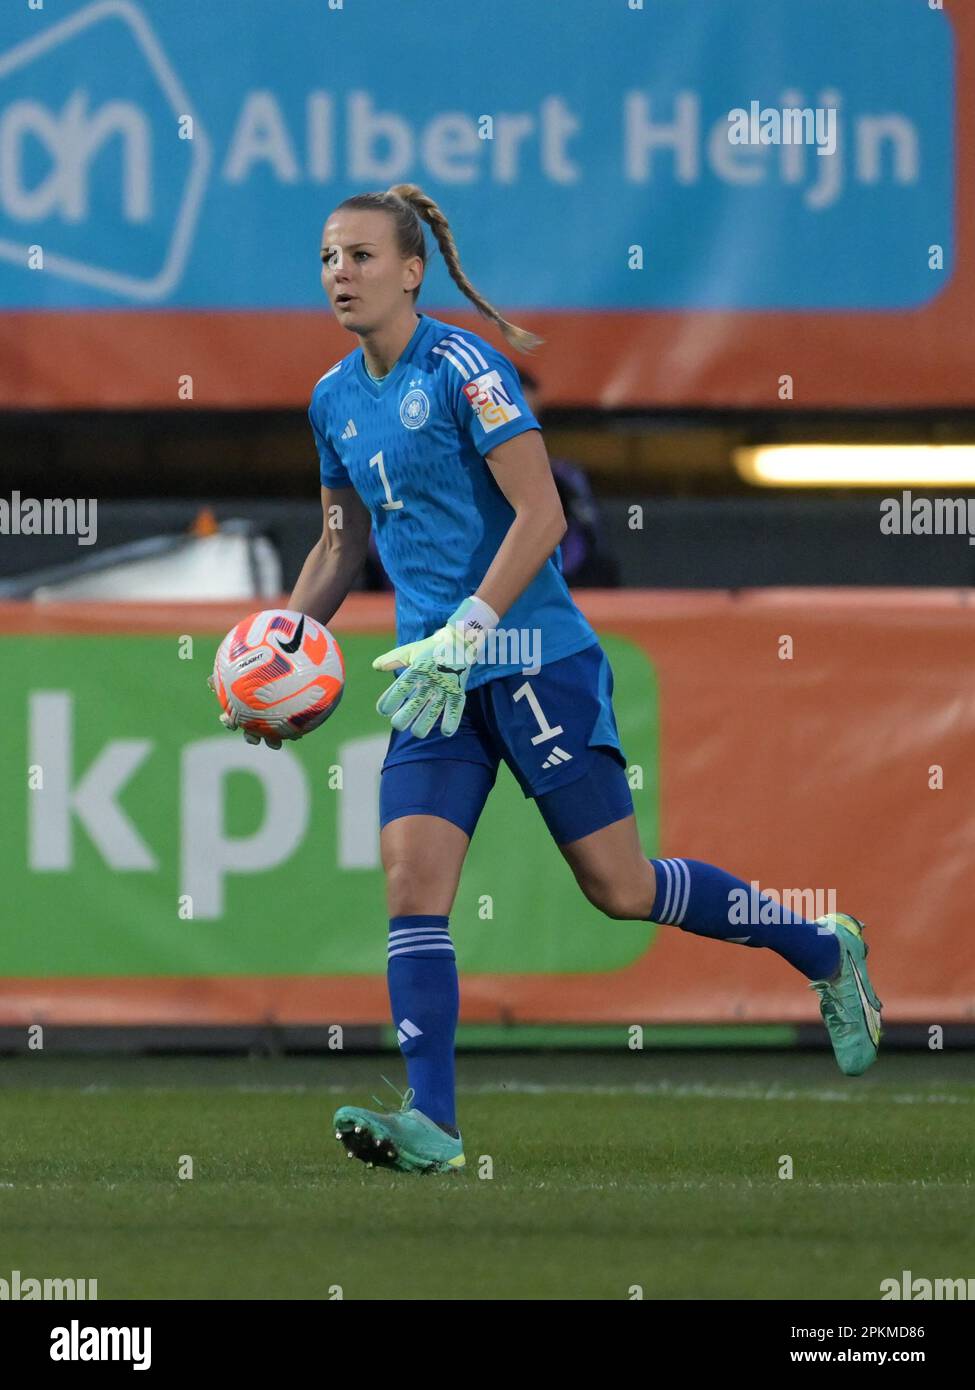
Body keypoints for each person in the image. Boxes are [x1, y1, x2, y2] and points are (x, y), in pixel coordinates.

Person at [229, 183, 883, 1175]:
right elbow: (339, 539)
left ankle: (823, 950)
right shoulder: (332, 400)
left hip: (535, 661)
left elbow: (544, 517)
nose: (339, 275)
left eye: (360, 257)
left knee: (619, 888)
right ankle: (435, 1126)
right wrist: (280, 645)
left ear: (413, 271)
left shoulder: (467, 368)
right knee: (412, 885)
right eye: (326, 258)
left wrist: (470, 626)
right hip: (433, 684)